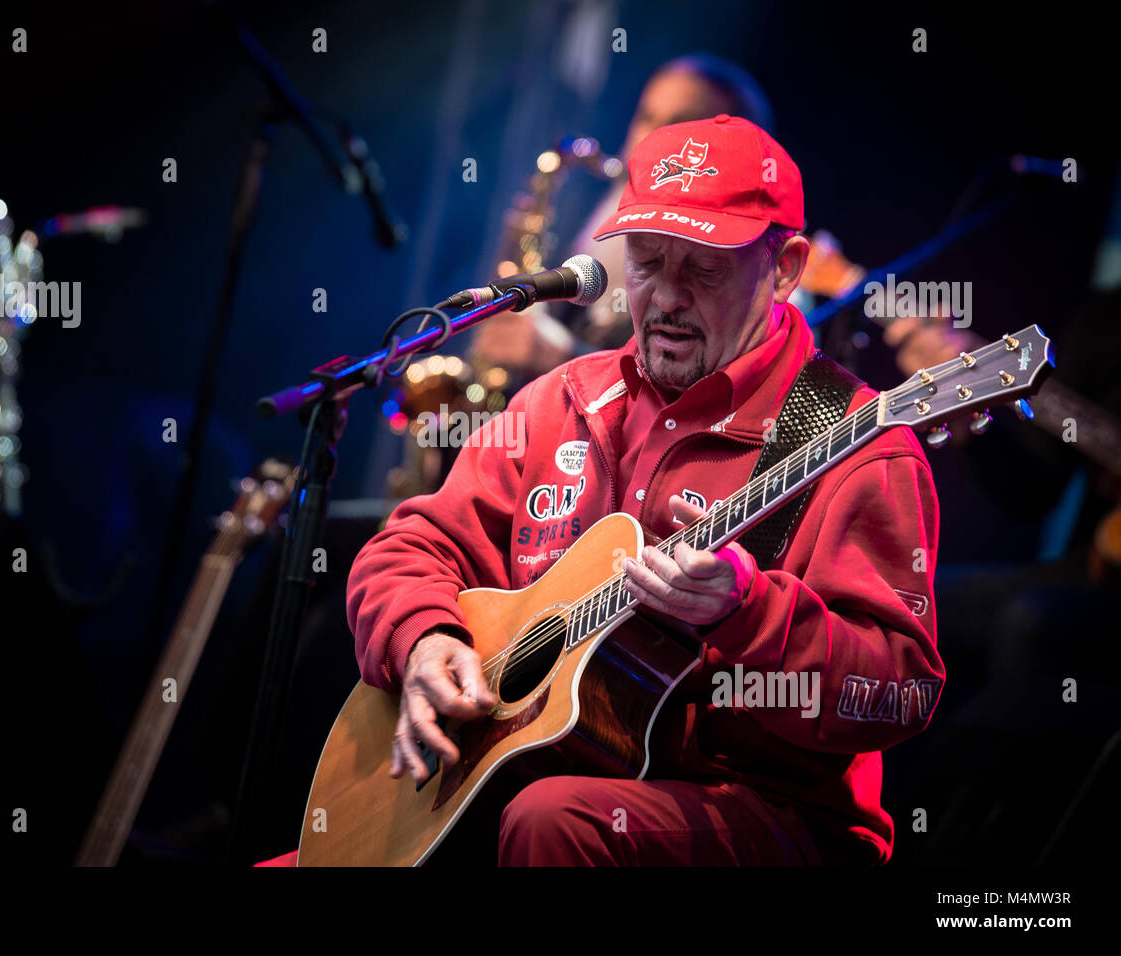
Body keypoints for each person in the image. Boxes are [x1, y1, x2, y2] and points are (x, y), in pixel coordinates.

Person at [343, 115, 945, 866]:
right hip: (554, 772)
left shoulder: (862, 445)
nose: (664, 297)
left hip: (772, 816)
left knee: (554, 821)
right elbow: (409, 546)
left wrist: (750, 613)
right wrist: (423, 638)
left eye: (703, 269)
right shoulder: (560, 399)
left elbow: (900, 692)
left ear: (785, 267)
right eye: (648, 261)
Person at [472, 54, 776, 374]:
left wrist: (562, 356)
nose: (647, 140)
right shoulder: (597, 199)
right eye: (646, 117)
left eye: (676, 126)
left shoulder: (738, 259)